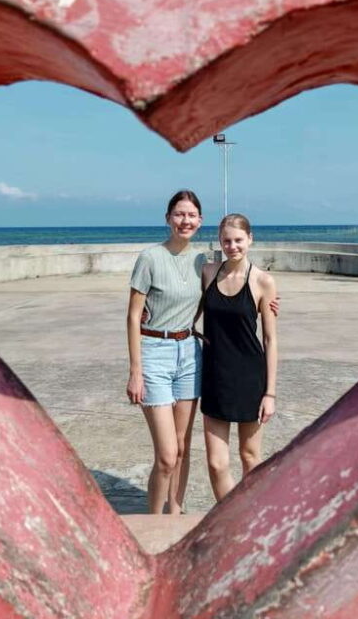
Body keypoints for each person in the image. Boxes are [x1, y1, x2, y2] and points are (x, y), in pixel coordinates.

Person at [126, 190, 206, 514]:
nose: (185, 220)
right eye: (179, 214)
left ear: (200, 221)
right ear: (168, 218)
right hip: (153, 352)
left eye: (191, 215)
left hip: (189, 352)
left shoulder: (203, 260)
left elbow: (233, 284)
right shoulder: (149, 258)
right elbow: (133, 315)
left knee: (184, 448)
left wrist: (267, 299)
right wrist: (135, 370)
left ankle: (175, 514)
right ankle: (154, 521)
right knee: (166, 455)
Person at [200, 213, 278, 501]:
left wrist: (270, 393)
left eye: (238, 240)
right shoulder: (208, 272)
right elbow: (187, 311)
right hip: (215, 376)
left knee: (250, 456)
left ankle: (249, 515)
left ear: (250, 239)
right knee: (217, 463)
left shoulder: (263, 281)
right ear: (219, 242)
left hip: (250, 378)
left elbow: (270, 339)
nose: (232, 246)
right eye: (226, 241)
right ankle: (228, 516)